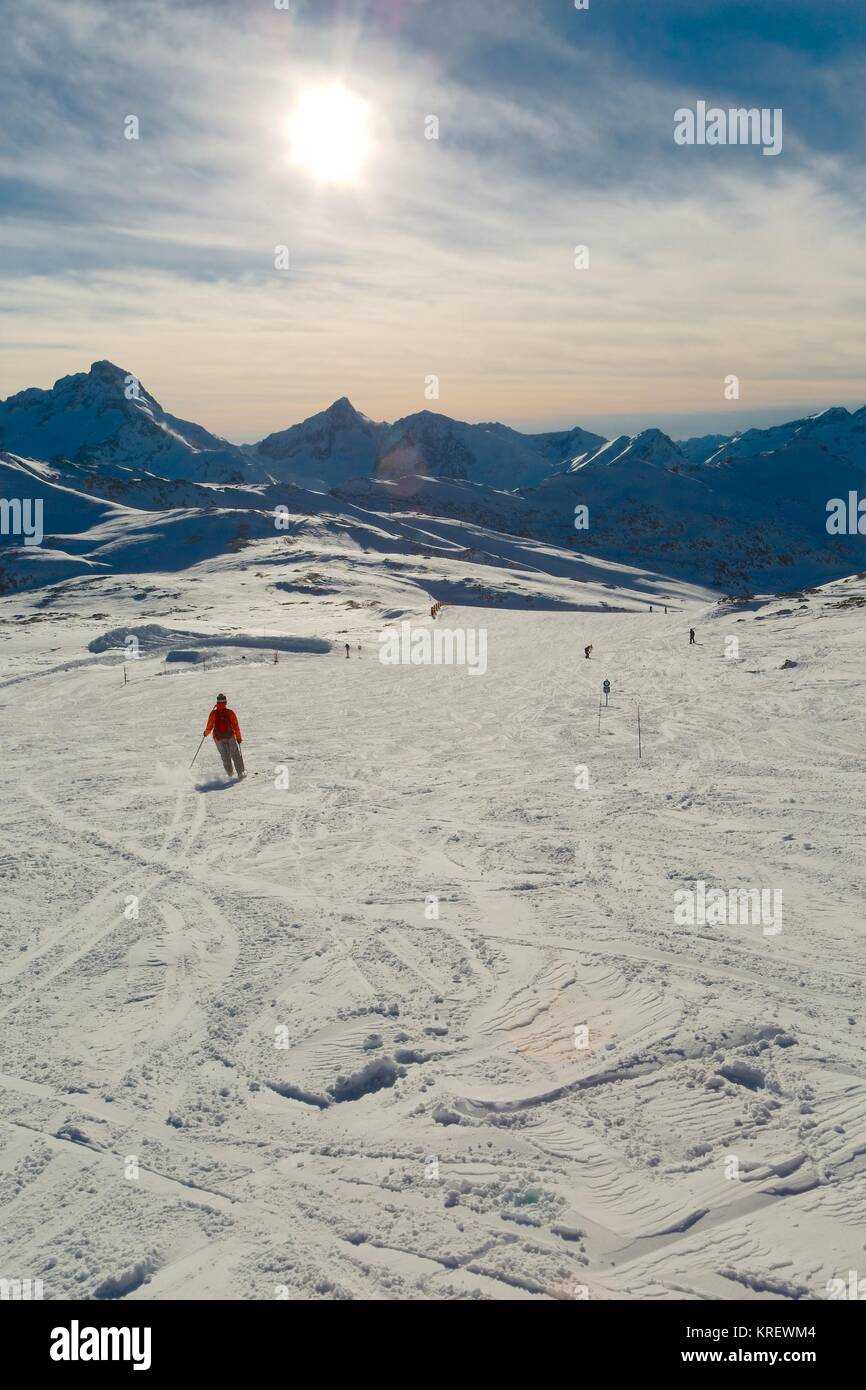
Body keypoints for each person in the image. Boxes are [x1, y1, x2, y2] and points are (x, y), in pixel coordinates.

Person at [203, 694, 245, 779]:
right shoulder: (230, 712)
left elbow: (209, 726)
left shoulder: (213, 713)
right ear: (225, 702)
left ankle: (230, 773)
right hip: (230, 736)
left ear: (217, 702)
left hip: (218, 738)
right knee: (235, 754)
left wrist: (206, 733)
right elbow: (236, 726)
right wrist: (238, 737)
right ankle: (241, 773)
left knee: (224, 756)